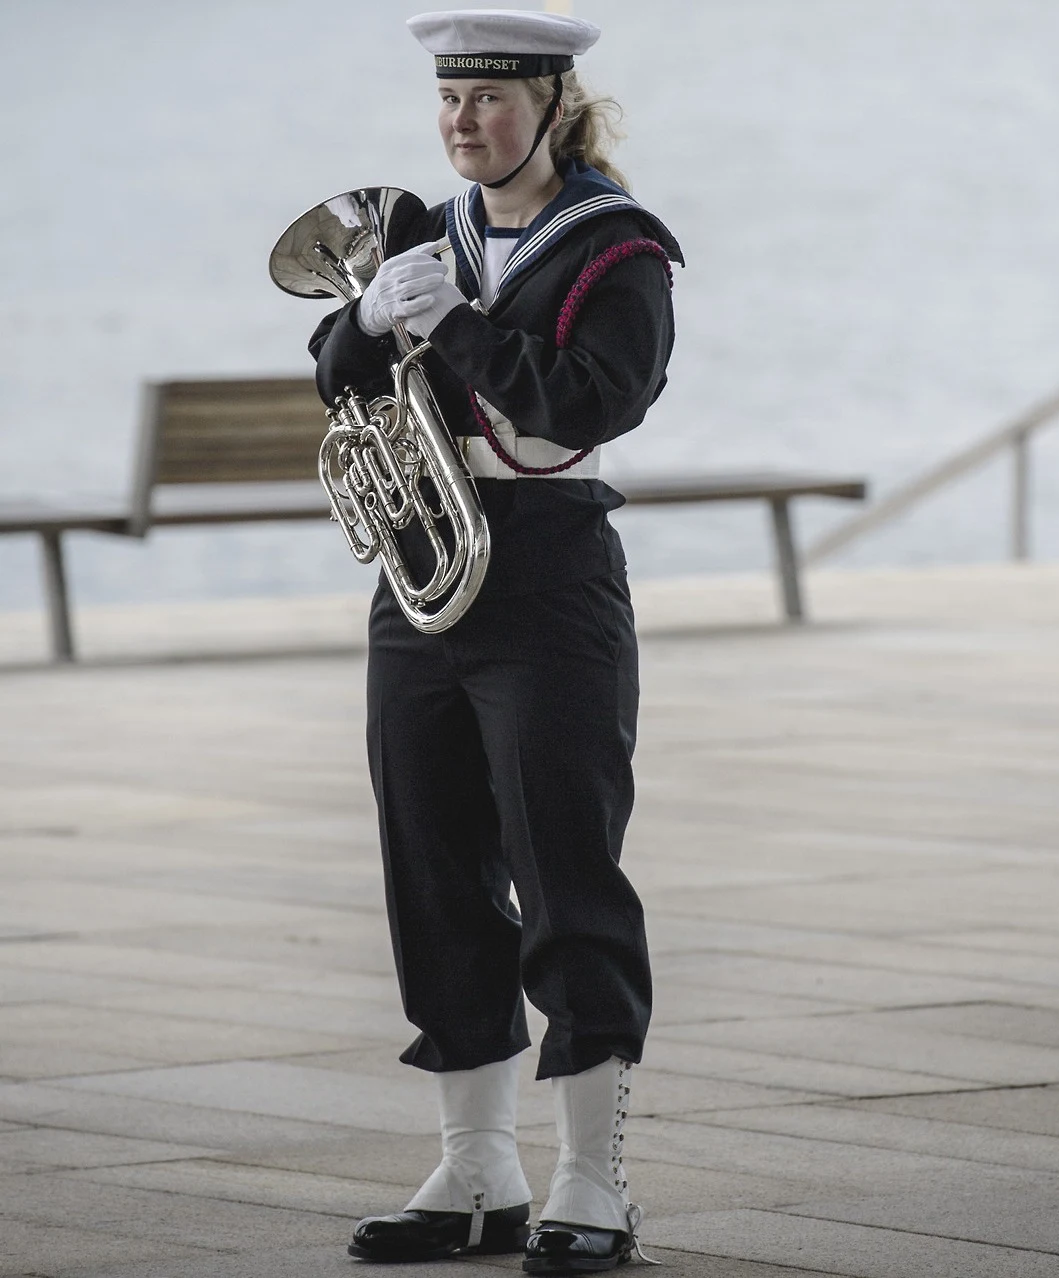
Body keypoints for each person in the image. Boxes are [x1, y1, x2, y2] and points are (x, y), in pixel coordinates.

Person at [305, 9, 681, 1273]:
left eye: (492, 99)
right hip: (422, 571)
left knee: (565, 867)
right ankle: (477, 1168)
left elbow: (591, 399)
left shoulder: (617, 249)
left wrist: (459, 321)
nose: (465, 121)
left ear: (553, 104)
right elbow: (337, 378)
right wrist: (366, 318)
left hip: (547, 571)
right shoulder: (424, 225)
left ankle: (592, 1178)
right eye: (451, 100)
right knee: (432, 864)